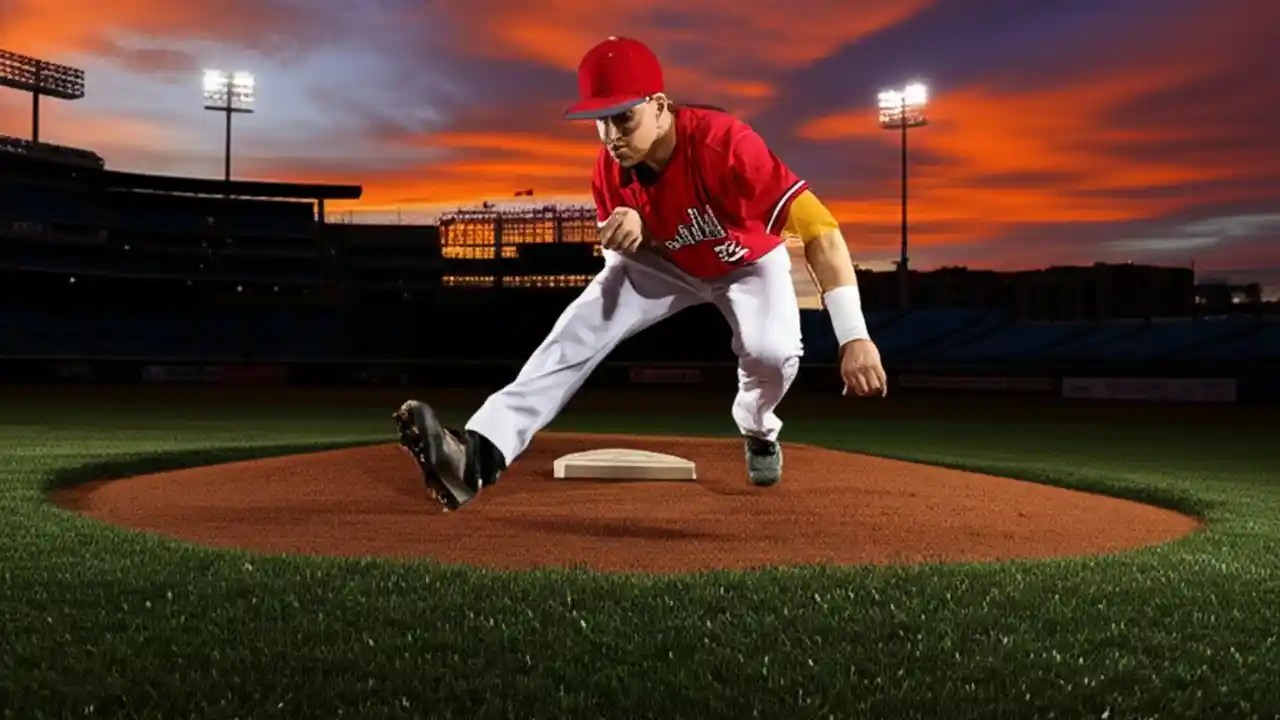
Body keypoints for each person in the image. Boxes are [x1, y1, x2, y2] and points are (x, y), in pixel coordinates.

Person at [393, 36, 887, 511]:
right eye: (599, 122)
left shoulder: (727, 145)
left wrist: (854, 335)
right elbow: (654, 237)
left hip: (747, 263)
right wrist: (641, 233)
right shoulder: (608, 172)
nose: (611, 136)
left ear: (659, 104)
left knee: (772, 355)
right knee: (576, 331)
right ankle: (478, 455)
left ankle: (757, 427)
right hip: (663, 263)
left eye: (623, 118)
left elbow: (820, 229)